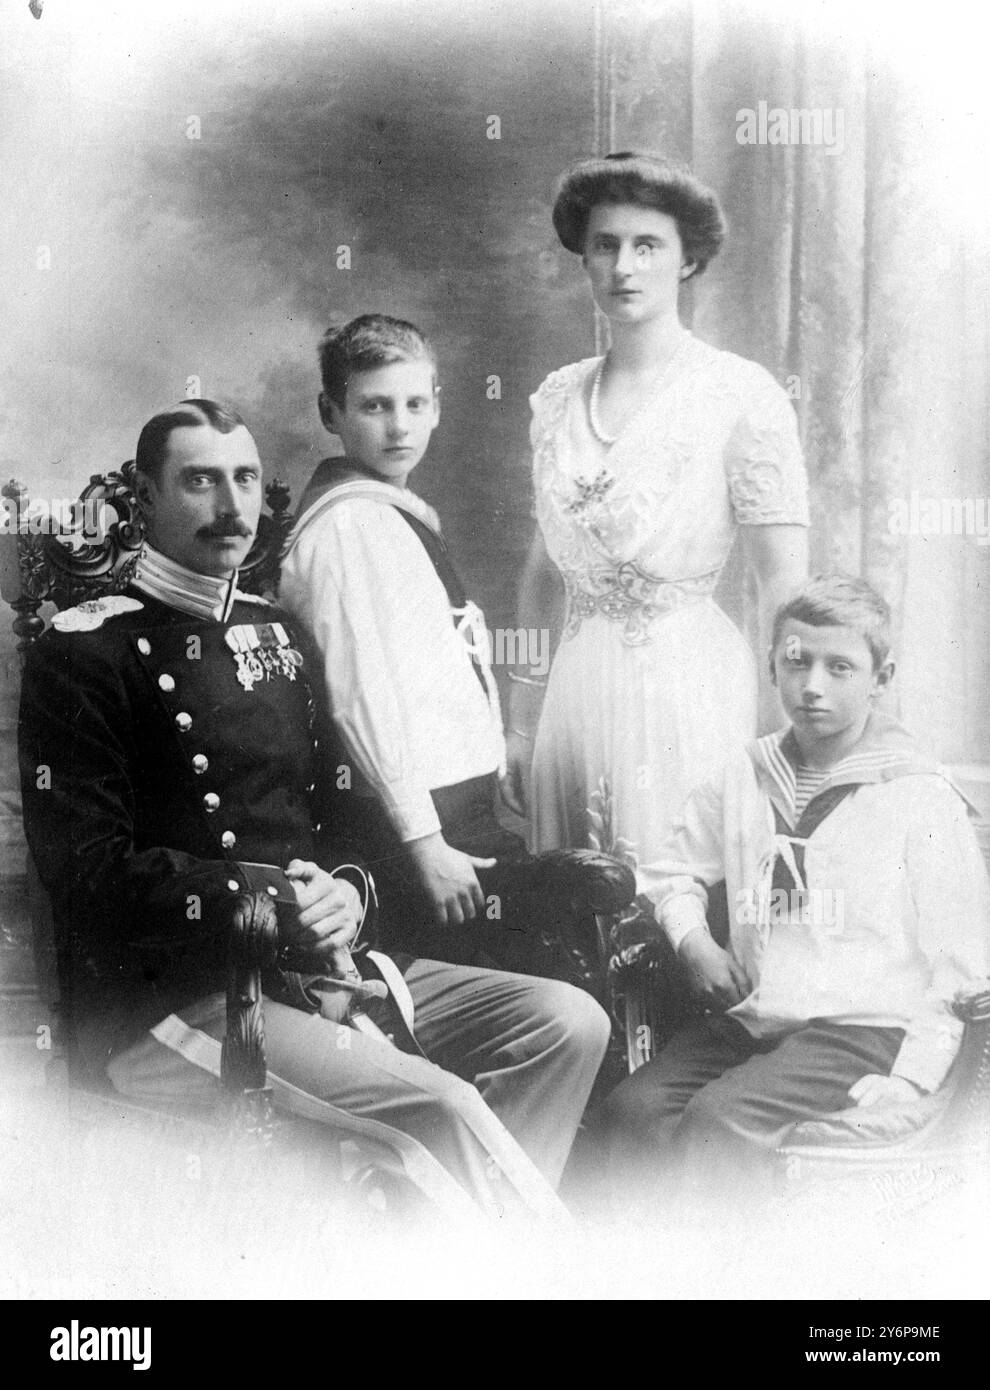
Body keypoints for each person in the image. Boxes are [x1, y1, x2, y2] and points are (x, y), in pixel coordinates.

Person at [17, 397, 610, 1219]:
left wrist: (347, 890)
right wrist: (269, 902)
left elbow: (340, 817)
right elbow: (85, 870)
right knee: (441, 1106)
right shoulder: (85, 650)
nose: (230, 506)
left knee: (565, 1022)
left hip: (314, 969)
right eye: (198, 481)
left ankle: (440, 1263)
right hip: (173, 1002)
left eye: (245, 479)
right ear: (144, 500)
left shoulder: (280, 634)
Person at [596, 573, 990, 1211]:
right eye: (795, 662)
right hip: (758, 1017)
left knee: (718, 1126)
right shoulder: (747, 772)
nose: (812, 687)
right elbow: (672, 870)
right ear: (773, 665)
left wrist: (913, 1079)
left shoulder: (916, 792)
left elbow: (964, 966)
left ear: (881, 678)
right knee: (627, 1112)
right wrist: (693, 939)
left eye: (840, 668)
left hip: (863, 1029)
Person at [278, 314, 630, 972]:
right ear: (332, 412)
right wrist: (426, 844)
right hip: (411, 824)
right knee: (535, 976)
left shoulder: (387, 514)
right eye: (374, 406)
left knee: (554, 963)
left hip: (455, 803)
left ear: (438, 408)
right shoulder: (351, 525)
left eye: (415, 404)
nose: (399, 426)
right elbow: (365, 697)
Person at [503, 151, 809, 888]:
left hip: (687, 684)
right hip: (574, 690)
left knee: (677, 898)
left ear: (687, 261)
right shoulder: (555, 398)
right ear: (584, 258)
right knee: (575, 906)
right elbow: (544, 570)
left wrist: (786, 737)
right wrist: (521, 719)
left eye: (648, 246)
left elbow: (783, 585)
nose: (624, 267)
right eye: (605, 245)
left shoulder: (739, 392)